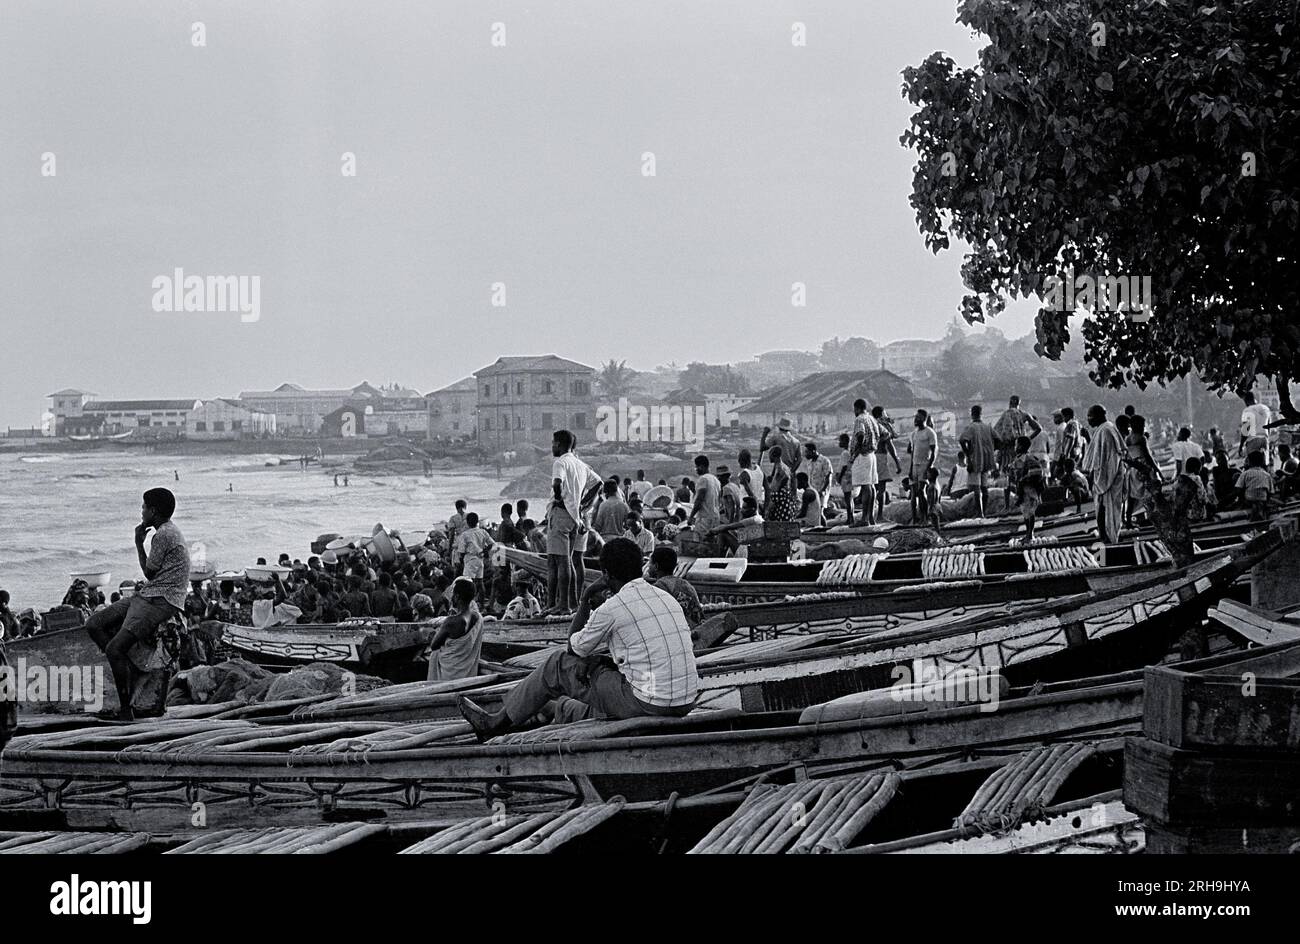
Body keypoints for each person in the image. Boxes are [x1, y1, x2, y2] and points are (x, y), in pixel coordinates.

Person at [457, 538, 699, 739]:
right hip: (685, 700)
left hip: (651, 702)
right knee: (591, 673)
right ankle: (547, 709)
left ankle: (495, 723)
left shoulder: (613, 607)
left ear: (605, 574)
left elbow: (572, 650)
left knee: (557, 665)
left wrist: (584, 599)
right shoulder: (666, 599)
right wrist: (602, 662)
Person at [83, 487, 190, 720]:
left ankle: (125, 709)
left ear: (153, 511)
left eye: (143, 507)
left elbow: (150, 573)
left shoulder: (163, 535)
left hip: (161, 599)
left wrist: (138, 543)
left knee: (113, 648)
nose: (141, 511)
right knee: (93, 624)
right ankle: (126, 665)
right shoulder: (168, 531)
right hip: (150, 594)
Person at [547, 429, 602, 613]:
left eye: (554, 443)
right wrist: (583, 506)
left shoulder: (560, 462)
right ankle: (569, 603)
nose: (552, 446)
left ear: (560, 444)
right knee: (569, 560)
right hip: (575, 517)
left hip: (561, 514)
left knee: (562, 562)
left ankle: (563, 605)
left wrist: (558, 498)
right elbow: (598, 483)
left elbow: (557, 483)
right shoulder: (580, 464)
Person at [1081, 405, 1126, 543]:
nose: (1088, 419)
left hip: (1108, 479)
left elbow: (1109, 460)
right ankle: (1104, 537)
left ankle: (1107, 539)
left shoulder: (1106, 430)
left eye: (1090, 415)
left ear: (1099, 415)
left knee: (1104, 511)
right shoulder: (1104, 429)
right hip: (1104, 477)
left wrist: (1100, 481)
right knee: (1101, 510)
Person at [426, 577, 484, 681]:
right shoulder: (478, 617)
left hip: (449, 675)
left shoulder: (451, 621)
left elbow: (434, 645)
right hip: (468, 674)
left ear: (457, 597)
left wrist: (432, 635)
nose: (451, 598)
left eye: (453, 595)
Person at [647, 545, 703, 629]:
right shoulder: (686, 584)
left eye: (650, 563)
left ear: (656, 566)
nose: (648, 567)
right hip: (696, 628)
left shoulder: (658, 587)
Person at [959, 405, 997, 518]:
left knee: (977, 489)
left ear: (972, 414)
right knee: (984, 488)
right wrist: (991, 450)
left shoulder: (971, 427)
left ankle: (980, 513)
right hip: (987, 460)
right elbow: (998, 439)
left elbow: (962, 440)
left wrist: (968, 454)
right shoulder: (988, 427)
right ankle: (984, 512)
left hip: (975, 460)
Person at [848, 398, 881, 526]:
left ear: (857, 408)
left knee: (865, 486)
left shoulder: (859, 419)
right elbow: (882, 433)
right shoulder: (871, 418)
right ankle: (870, 517)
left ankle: (864, 519)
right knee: (871, 485)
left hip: (862, 455)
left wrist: (855, 452)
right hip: (872, 454)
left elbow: (860, 435)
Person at [1006, 436, 1046, 542]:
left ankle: (1030, 534)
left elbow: (1036, 472)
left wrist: (1023, 479)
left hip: (1030, 490)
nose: (1015, 447)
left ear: (1021, 446)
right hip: (1023, 490)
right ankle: (1028, 533)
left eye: (1016, 445)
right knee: (1025, 512)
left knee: (1030, 512)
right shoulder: (1018, 460)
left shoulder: (1029, 459)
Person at [453, 512, 495, 599]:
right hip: (480, 559)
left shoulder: (465, 534)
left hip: (470, 559)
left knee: (468, 583)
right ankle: (482, 604)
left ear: (468, 523)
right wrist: (484, 550)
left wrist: (461, 561)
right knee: (480, 582)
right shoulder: (483, 532)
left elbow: (461, 551)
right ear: (477, 522)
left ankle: (471, 602)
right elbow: (492, 543)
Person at [871, 406, 903, 518]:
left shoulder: (871, 425)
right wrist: (897, 463)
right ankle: (880, 515)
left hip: (870, 457)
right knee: (881, 488)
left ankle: (871, 515)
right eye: (885, 413)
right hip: (880, 457)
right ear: (881, 414)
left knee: (872, 488)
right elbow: (890, 447)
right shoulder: (883, 426)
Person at [907, 409, 938, 524]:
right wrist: (910, 469)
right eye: (915, 417)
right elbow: (913, 452)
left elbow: (934, 452)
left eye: (918, 417)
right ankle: (916, 518)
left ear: (924, 419)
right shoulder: (913, 434)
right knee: (914, 493)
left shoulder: (930, 432)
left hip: (924, 465)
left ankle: (925, 518)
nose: (916, 419)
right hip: (914, 465)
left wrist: (928, 468)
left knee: (921, 491)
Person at [993, 395, 1030, 471]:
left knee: (1006, 471)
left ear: (1010, 402)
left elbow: (996, 432)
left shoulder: (1006, 414)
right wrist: (1028, 438)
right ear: (1018, 403)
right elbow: (1038, 428)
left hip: (1007, 449)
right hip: (1020, 448)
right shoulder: (1024, 414)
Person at [762, 445, 799, 521]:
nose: (769, 457)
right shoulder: (780, 467)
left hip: (782, 503)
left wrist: (769, 508)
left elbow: (776, 489)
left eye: (770, 455)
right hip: (783, 501)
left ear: (774, 455)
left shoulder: (780, 469)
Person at [1236, 450, 1274, 520]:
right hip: (1262, 501)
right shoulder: (1267, 475)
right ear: (1262, 462)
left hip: (1248, 501)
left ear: (1249, 462)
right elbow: (1270, 492)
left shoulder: (1245, 474)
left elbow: (1238, 490)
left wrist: (1242, 499)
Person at [688, 455, 722, 534]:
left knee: (701, 542)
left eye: (697, 467)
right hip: (716, 517)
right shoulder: (716, 480)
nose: (696, 470)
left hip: (705, 518)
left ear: (702, 466)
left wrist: (691, 516)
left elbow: (699, 500)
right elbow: (719, 499)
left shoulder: (703, 479)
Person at [797, 442, 834, 511]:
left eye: (807, 452)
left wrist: (822, 490)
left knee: (820, 512)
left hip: (821, 491)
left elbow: (828, 477)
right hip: (812, 491)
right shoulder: (809, 462)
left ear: (813, 451)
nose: (805, 454)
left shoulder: (824, 460)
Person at [1239, 391, 1273, 465]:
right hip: (1264, 439)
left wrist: (1241, 446)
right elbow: (1269, 427)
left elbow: (1245, 431)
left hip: (1253, 439)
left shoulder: (1247, 410)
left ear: (1246, 400)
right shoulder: (1265, 408)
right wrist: (1268, 440)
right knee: (1264, 464)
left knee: (1253, 464)